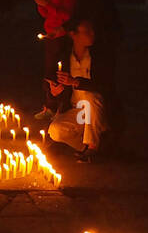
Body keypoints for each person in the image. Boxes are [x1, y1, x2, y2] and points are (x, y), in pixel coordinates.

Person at [61, 0, 123, 91]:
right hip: (101, 29)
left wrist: (67, 27)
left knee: (102, 73)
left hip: (103, 30)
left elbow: (86, 6)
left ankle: (105, 106)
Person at [46, 20, 108, 161]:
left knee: (90, 96)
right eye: (87, 32)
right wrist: (54, 91)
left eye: (92, 31)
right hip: (78, 111)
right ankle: (87, 148)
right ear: (73, 35)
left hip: (98, 110)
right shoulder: (65, 58)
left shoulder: (98, 57)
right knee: (55, 131)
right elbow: (52, 80)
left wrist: (75, 81)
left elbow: (104, 85)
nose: (92, 34)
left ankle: (93, 147)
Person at [33, 0, 76, 94]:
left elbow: (67, 14)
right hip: (50, 33)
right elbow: (47, 14)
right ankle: (50, 104)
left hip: (61, 33)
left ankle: (60, 104)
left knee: (59, 71)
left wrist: (48, 4)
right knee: (49, 70)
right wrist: (41, 4)